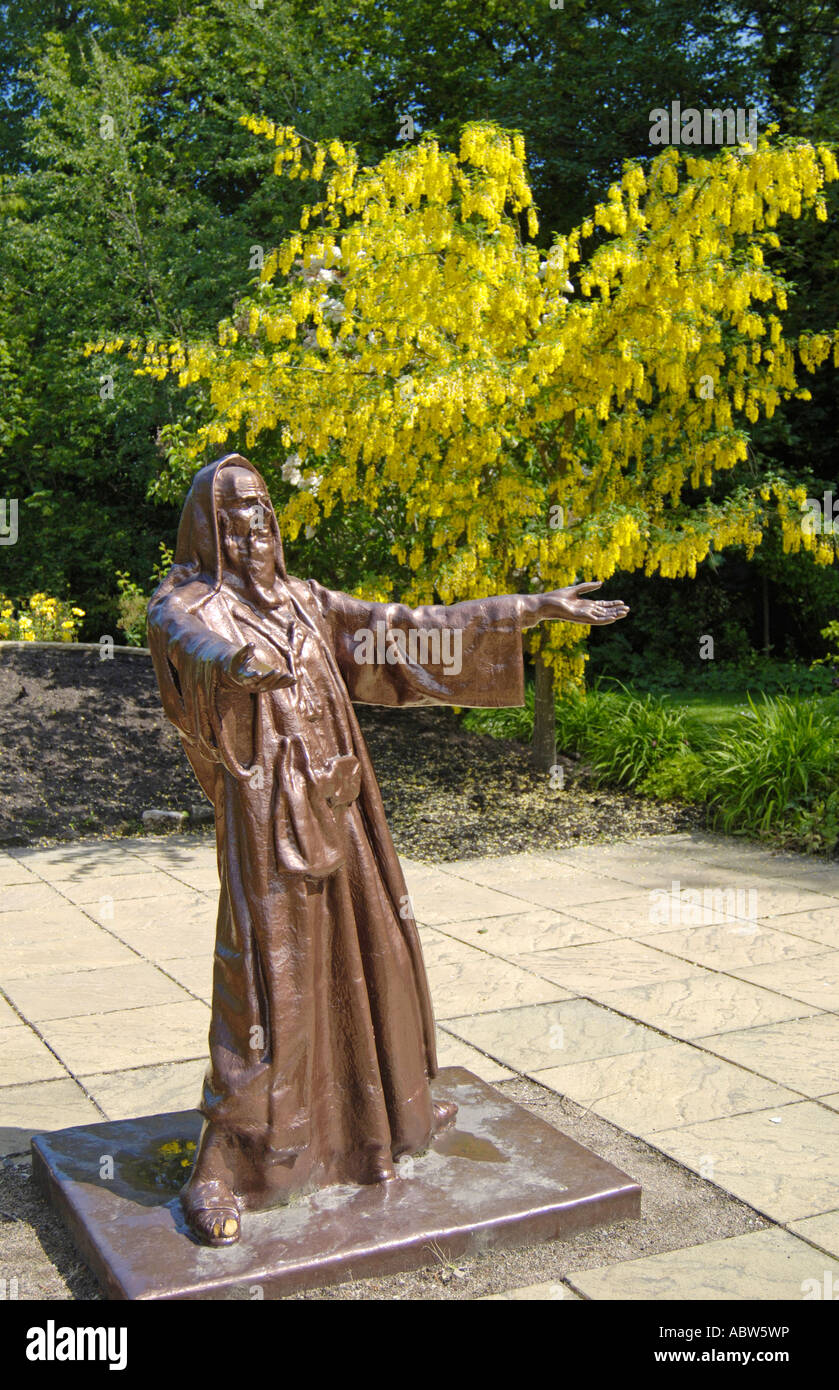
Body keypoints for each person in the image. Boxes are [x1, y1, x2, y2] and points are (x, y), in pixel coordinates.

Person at [148, 452, 629, 1245]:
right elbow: (179, 634)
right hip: (268, 822)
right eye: (235, 511)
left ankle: (380, 1116)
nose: (255, 523)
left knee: (372, 955)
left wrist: (525, 608)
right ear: (208, 524)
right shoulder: (190, 602)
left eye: (263, 505)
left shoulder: (307, 602)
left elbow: (401, 629)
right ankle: (228, 1161)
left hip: (342, 801)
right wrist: (233, 658)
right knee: (267, 984)